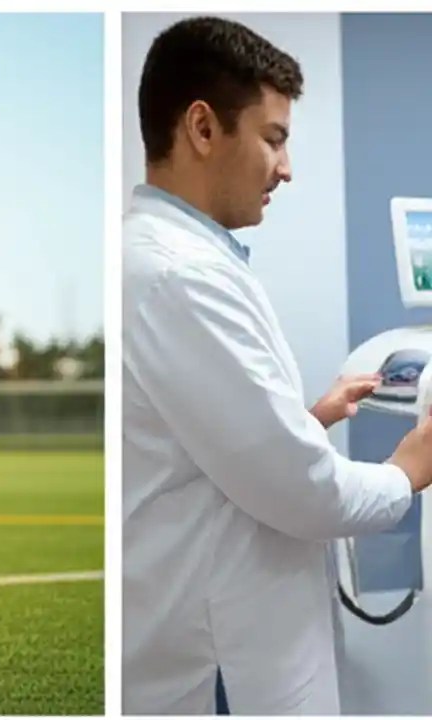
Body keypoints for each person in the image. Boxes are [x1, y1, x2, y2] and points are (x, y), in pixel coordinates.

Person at [122, 16, 432, 715]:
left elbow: (201, 441)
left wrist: (306, 418)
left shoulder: (174, 260)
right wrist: (410, 470)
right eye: (274, 138)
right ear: (203, 129)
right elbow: (304, 493)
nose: (286, 168)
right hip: (222, 659)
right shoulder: (179, 277)